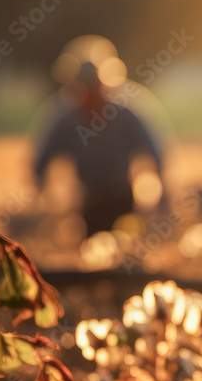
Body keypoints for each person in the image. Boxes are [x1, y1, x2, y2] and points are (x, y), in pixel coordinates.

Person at [34, 35, 163, 236]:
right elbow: (42, 159)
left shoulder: (125, 115)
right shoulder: (66, 119)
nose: (91, 94)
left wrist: (160, 194)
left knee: (123, 241)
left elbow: (154, 150)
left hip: (123, 198)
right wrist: (43, 199)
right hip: (89, 200)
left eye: (95, 86)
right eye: (84, 87)